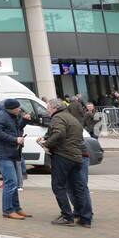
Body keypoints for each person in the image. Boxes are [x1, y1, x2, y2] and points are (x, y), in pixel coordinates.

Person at [41, 97, 92, 227]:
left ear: (54, 108)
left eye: (48, 108)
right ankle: (85, 218)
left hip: (63, 156)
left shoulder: (57, 118)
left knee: (58, 186)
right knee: (79, 187)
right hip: (76, 157)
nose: (47, 111)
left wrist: (46, 143)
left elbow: (59, 133)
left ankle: (67, 216)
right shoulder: (71, 118)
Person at [0, 99, 29, 219]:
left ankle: (16, 208)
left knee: (15, 182)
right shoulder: (1, 116)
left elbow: (15, 129)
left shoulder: (12, 116)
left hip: (11, 152)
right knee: (11, 182)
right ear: (11, 108)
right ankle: (8, 210)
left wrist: (25, 121)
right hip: (2, 154)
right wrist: (15, 139)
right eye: (18, 108)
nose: (20, 109)